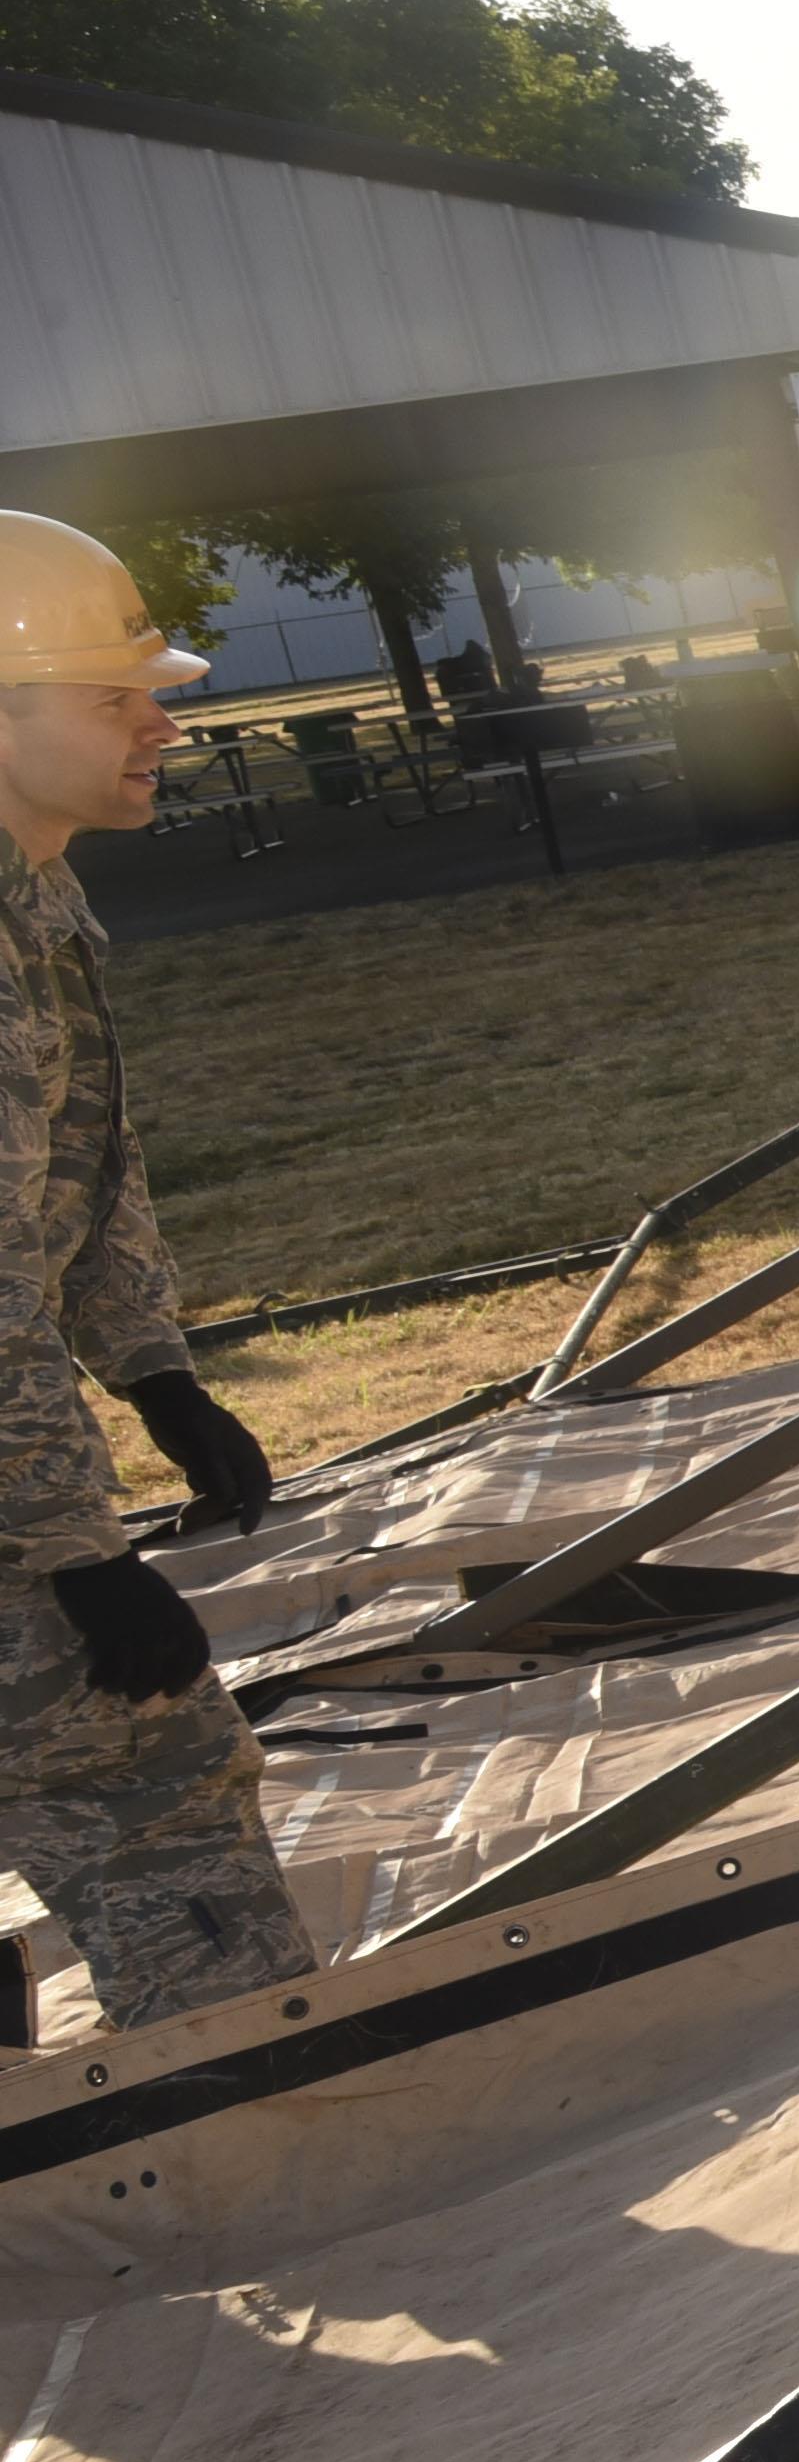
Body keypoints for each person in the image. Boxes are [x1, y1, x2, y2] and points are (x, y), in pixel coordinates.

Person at [0, 511, 305, 2036]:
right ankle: (237, 2137)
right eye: (112, 694)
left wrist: (157, 1372)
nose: (158, 720)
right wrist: (74, 1551)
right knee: (160, 1800)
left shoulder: (34, 896)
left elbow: (78, 1165)